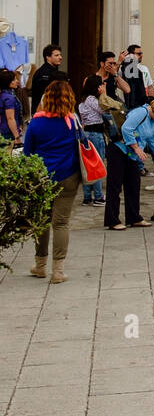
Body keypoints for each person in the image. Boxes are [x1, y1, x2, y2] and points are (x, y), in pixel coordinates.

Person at [21, 75, 80, 282]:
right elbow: (81, 146)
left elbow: (27, 153)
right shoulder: (72, 121)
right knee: (61, 223)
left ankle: (40, 266)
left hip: (41, 177)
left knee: (42, 221)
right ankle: (58, 271)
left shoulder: (36, 123)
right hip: (68, 175)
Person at [104, 96, 154, 231]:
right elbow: (126, 128)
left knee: (133, 185)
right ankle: (112, 220)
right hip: (119, 150)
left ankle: (134, 217)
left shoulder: (152, 121)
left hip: (132, 155)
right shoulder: (141, 113)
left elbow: (150, 138)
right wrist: (136, 147)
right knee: (115, 186)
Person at [77, 78, 107, 206]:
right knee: (97, 164)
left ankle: (87, 196)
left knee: (88, 165)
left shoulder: (83, 100)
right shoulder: (92, 100)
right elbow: (104, 110)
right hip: (96, 133)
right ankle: (98, 196)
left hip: (86, 133)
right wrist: (104, 94)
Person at [30, 44, 62, 114]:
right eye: (56, 55)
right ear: (48, 57)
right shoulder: (43, 73)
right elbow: (45, 95)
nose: (60, 57)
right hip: (44, 112)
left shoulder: (53, 71)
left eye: (60, 55)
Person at [0, 69, 23, 144]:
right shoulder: (9, 98)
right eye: (14, 79)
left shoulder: (3, 95)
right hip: (8, 133)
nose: (17, 81)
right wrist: (17, 136)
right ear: (7, 82)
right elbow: (10, 118)